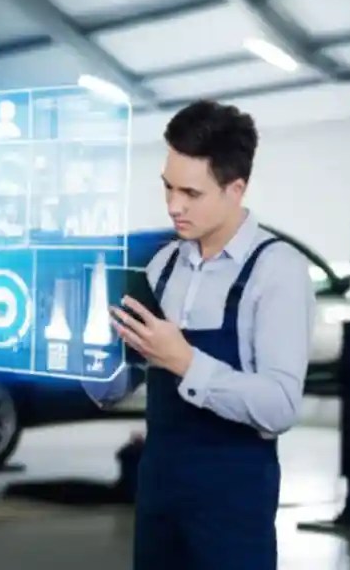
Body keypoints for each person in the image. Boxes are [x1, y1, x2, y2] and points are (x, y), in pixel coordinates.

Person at [85, 99, 316, 570]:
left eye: (191, 193)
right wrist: (83, 352)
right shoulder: (163, 266)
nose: (174, 206)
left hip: (232, 510)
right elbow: (114, 386)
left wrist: (185, 361)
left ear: (235, 189)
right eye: (168, 187)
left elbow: (280, 406)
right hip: (159, 501)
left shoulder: (277, 271)